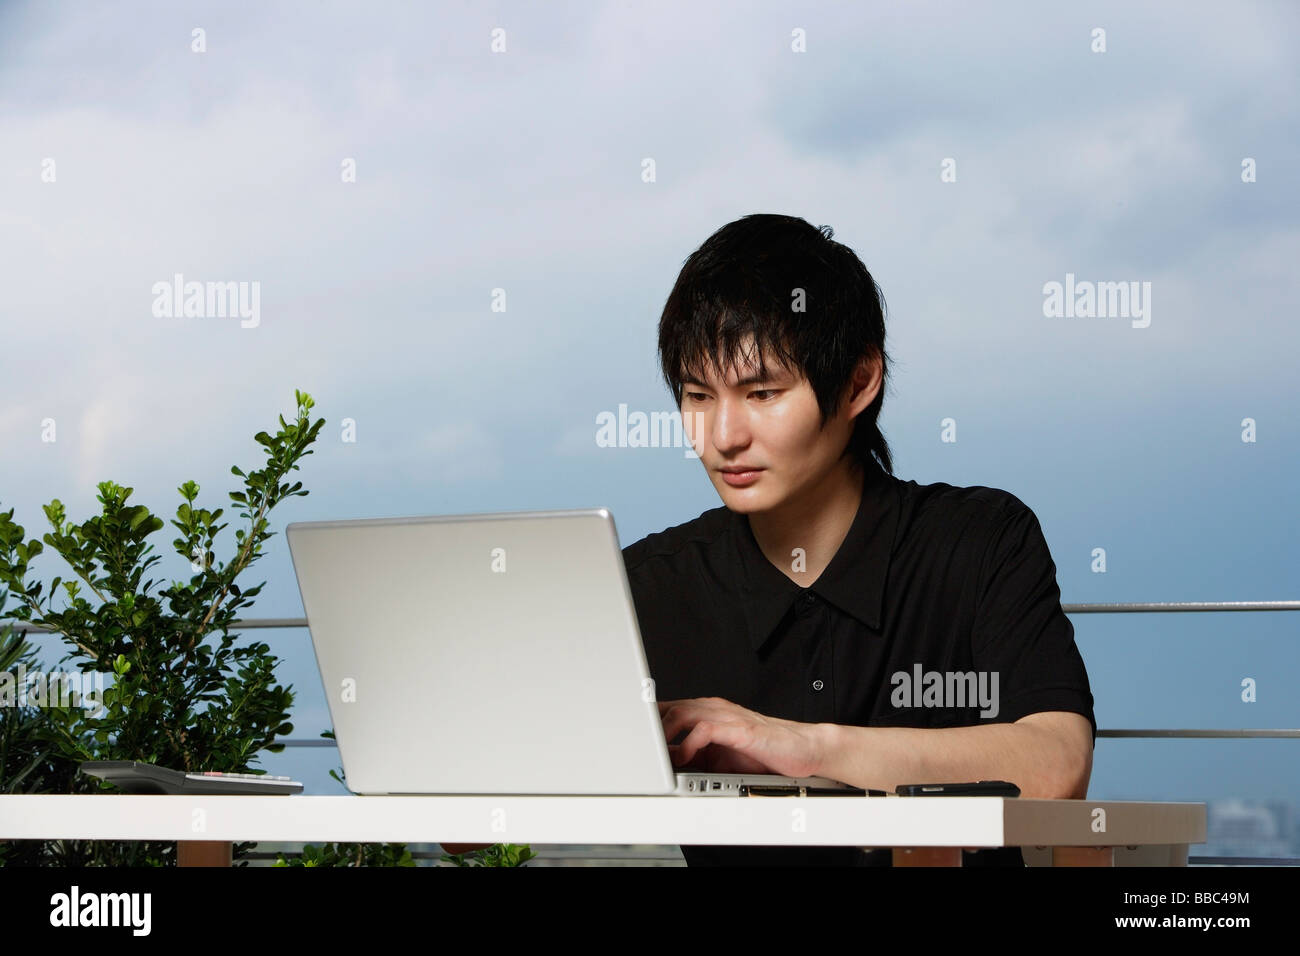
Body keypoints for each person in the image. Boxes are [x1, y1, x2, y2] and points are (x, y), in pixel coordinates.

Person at [621, 213, 1096, 866]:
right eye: (699, 395)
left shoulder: (979, 541)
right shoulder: (648, 587)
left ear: (857, 384)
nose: (722, 435)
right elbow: (472, 829)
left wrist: (807, 749)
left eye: (762, 393)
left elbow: (1056, 765)